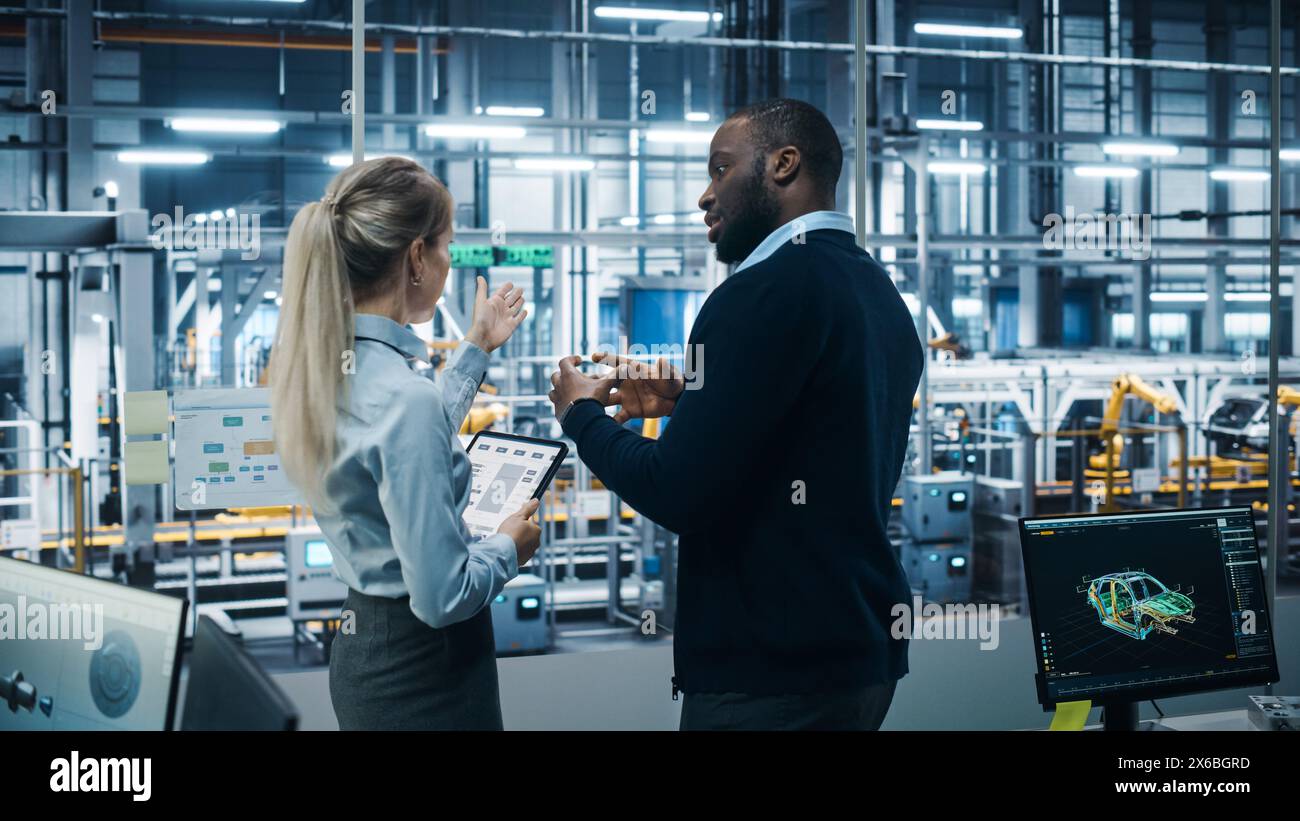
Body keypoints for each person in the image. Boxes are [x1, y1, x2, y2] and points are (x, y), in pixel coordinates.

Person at [547, 99, 923, 730]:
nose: (704, 195)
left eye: (720, 170)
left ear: (783, 164)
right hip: (859, 653)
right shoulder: (876, 290)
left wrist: (581, 416)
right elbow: (809, 433)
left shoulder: (757, 292)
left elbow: (677, 491)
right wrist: (694, 402)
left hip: (770, 670)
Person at [270, 157, 539, 730]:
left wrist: (475, 347)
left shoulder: (327, 366)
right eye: (446, 245)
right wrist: (507, 549)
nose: (449, 260)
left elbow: (406, 432)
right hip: (425, 669)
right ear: (416, 257)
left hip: (365, 647)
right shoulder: (401, 397)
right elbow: (443, 597)